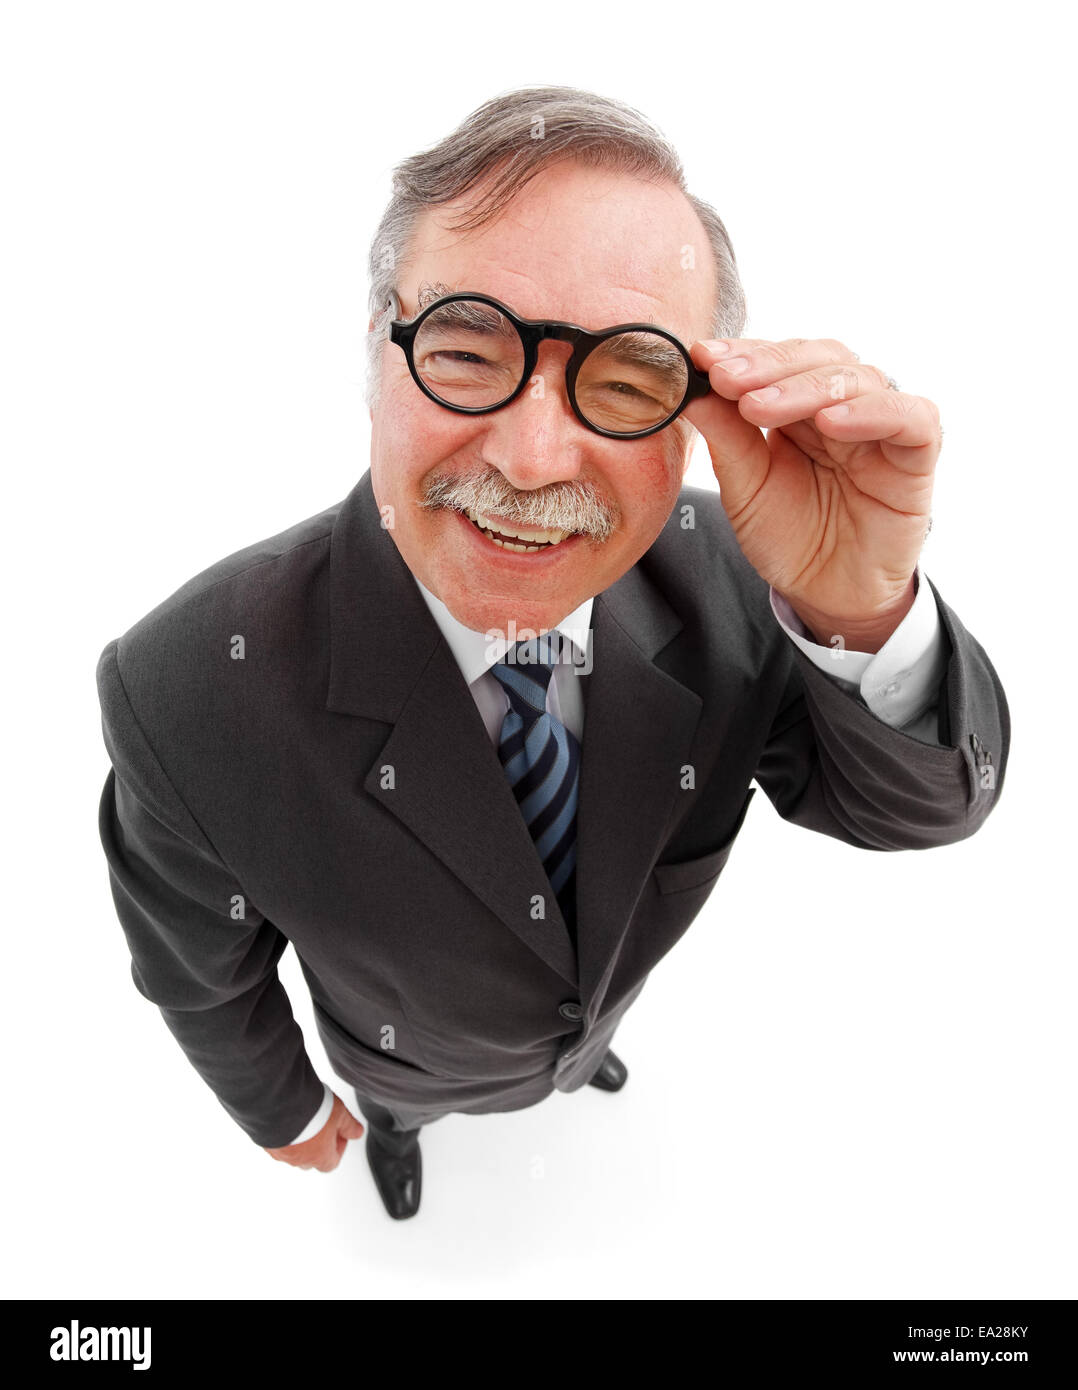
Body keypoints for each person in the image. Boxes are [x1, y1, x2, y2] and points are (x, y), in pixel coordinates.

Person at [95, 86, 1009, 1221]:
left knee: (578, 1043)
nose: (531, 461)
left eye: (625, 383)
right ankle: (401, 1133)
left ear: (697, 417)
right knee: (404, 1105)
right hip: (404, 1064)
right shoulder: (185, 690)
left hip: (601, 1019)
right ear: (376, 353)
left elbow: (915, 811)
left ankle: (576, 1068)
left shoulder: (739, 579)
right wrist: (284, 1109)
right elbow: (199, 970)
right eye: (467, 349)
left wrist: (861, 610)